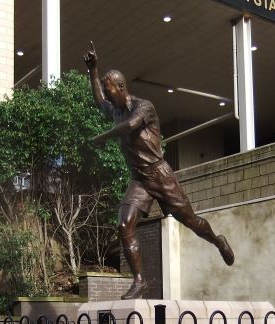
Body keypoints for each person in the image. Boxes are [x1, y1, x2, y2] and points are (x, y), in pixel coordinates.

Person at [83, 42, 234, 300]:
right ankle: (140, 281)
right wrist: (93, 71)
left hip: (160, 174)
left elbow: (130, 126)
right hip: (139, 180)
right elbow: (99, 101)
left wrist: (103, 137)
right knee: (124, 223)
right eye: (106, 94)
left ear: (121, 87)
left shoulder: (144, 107)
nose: (107, 97)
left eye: (110, 92)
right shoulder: (114, 108)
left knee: (191, 222)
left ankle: (217, 240)